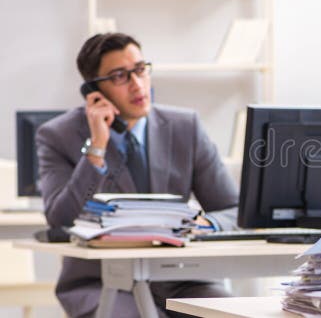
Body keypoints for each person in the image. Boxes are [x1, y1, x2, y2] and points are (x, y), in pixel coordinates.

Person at [36, 33, 239, 317]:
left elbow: (234, 209)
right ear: (94, 91)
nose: (137, 84)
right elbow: (60, 220)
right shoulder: (58, 135)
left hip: (181, 280)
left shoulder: (185, 126)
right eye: (120, 76)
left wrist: (207, 223)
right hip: (101, 282)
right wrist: (97, 147)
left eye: (140, 70)